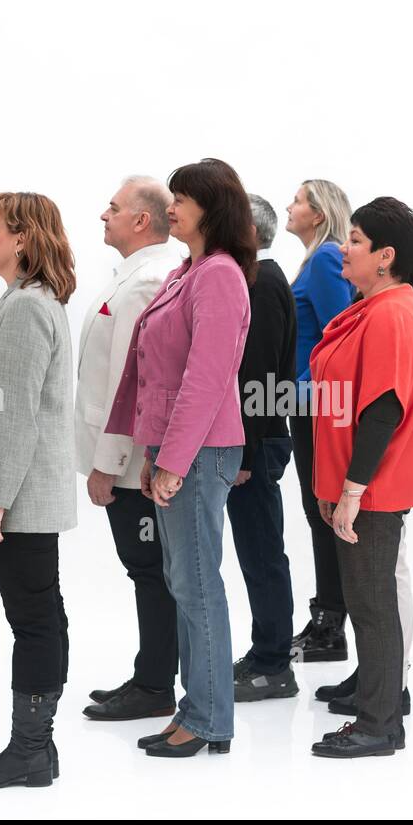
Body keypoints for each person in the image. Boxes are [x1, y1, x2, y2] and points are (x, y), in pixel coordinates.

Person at [105, 158, 253, 758]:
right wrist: (154, 450)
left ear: (212, 209)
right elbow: (154, 369)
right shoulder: (186, 272)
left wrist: (173, 458)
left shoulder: (217, 275)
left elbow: (205, 379)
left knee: (196, 585)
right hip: (181, 449)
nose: (174, 206)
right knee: (183, 581)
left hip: (202, 449)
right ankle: (196, 708)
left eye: (185, 199)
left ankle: (211, 718)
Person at [308, 197, 413, 758]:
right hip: (364, 484)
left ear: (386, 256)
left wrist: (351, 492)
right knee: (370, 600)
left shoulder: (391, 313)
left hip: (376, 487)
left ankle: (379, 725)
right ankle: (377, 709)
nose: (346, 248)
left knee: (372, 605)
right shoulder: (378, 306)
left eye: (357, 240)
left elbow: (383, 410)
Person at [0, 192, 78, 788]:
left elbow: (14, 414)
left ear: (24, 239)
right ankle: (37, 747)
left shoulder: (27, 309)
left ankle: (30, 749)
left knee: (34, 621)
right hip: (22, 497)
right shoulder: (23, 302)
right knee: (41, 616)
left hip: (18, 501)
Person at [77, 176, 184, 721]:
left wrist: (108, 463)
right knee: (148, 569)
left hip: (132, 463)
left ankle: (155, 685)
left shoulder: (147, 281)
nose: (103, 214)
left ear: (142, 220)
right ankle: (152, 674)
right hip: (130, 460)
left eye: (114, 208)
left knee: (150, 570)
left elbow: (130, 383)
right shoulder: (135, 276)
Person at [230, 194, 300, 701]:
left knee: (262, 552)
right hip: (257, 436)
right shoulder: (255, 281)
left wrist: (249, 456)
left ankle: (275, 663)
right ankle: (264, 651)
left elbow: (263, 374)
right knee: (255, 551)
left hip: (260, 439)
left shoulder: (265, 282)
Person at [284, 179, 357, 662]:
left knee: (323, 511)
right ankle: (326, 618)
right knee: (316, 512)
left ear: (319, 212)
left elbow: (341, 335)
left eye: (297, 201)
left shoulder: (329, 258)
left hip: (318, 404)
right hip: (303, 402)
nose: (290, 207)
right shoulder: (314, 261)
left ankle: (331, 625)